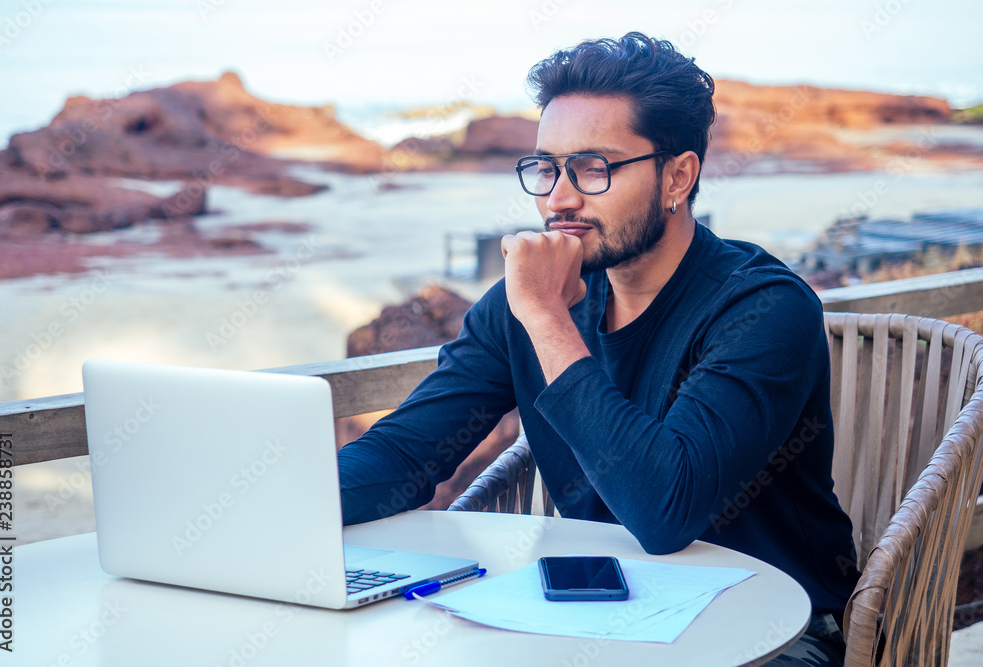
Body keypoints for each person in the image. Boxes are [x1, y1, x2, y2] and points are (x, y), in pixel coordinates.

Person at [338, 32, 859, 664]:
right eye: (546, 168)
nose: (558, 198)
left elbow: (665, 511)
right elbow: (404, 451)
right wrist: (275, 509)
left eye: (594, 168)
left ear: (679, 177)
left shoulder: (763, 309)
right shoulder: (526, 304)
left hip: (775, 633)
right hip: (592, 615)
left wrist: (546, 318)